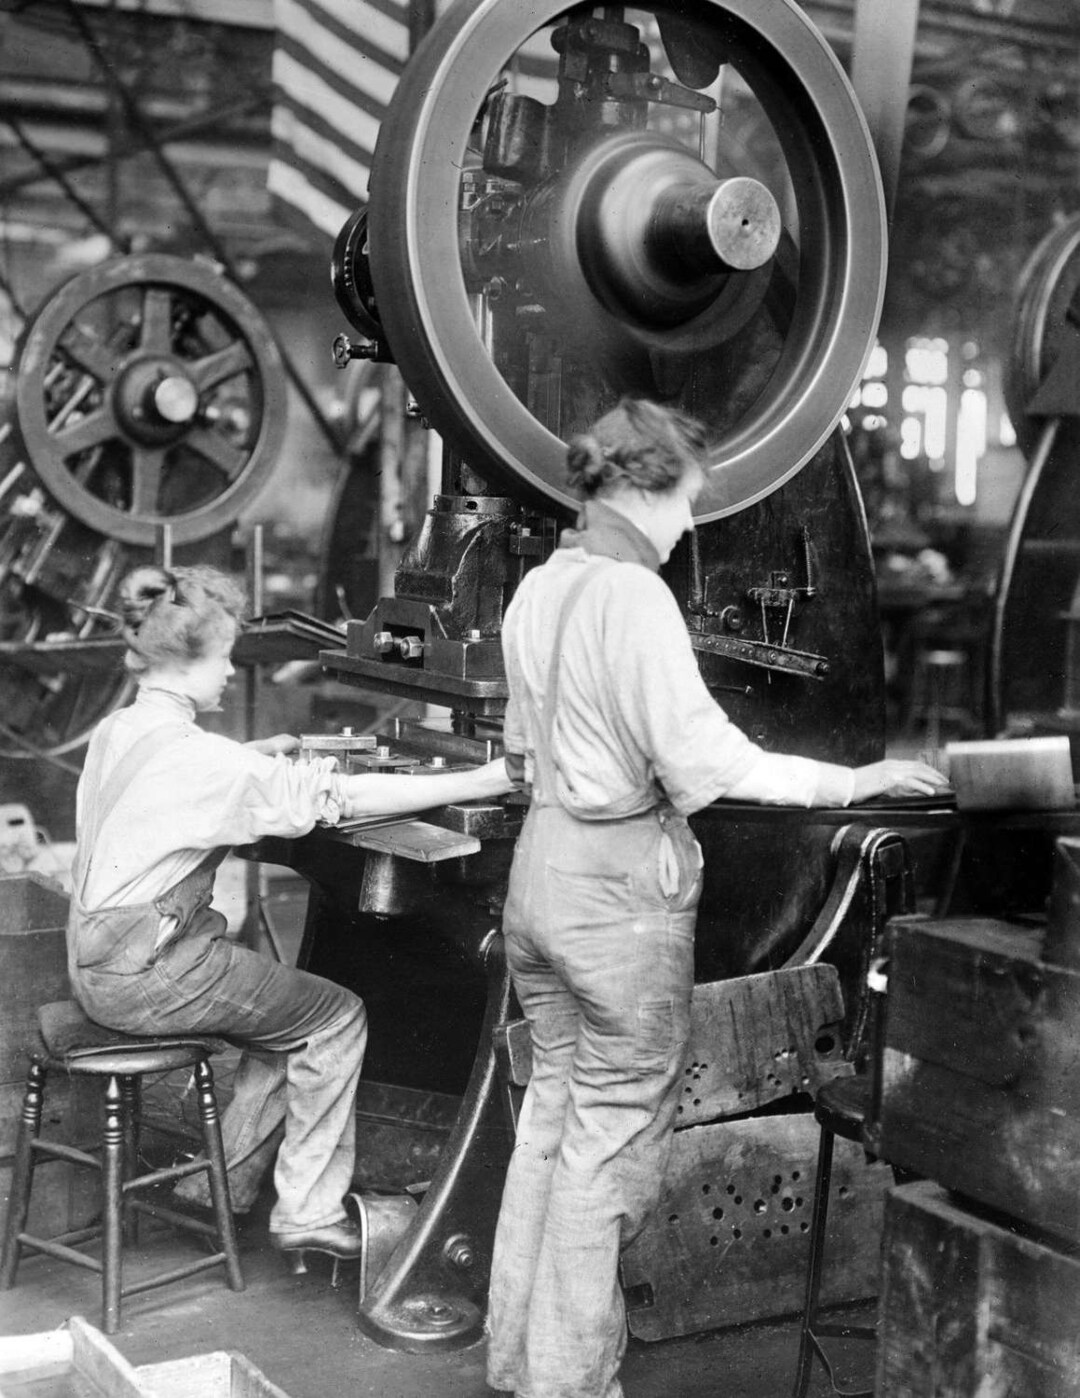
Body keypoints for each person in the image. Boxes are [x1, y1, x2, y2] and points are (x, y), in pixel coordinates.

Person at [484, 398, 949, 1398]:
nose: (688, 525)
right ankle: (567, 1385)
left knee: (553, 1121)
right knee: (609, 1151)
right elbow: (708, 761)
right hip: (615, 889)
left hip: (539, 874)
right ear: (645, 487)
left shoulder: (538, 589)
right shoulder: (633, 598)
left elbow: (522, 755)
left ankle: (518, 1362)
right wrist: (850, 780)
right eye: (685, 502)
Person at [66, 564, 512, 1268]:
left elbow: (180, 782)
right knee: (333, 1017)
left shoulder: (120, 731)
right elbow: (339, 800)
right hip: (149, 975)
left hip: (100, 961)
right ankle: (308, 1212)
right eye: (226, 660)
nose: (228, 675)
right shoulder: (206, 763)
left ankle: (220, 1188)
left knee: (284, 1012)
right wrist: (483, 780)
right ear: (196, 663)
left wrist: (255, 759)